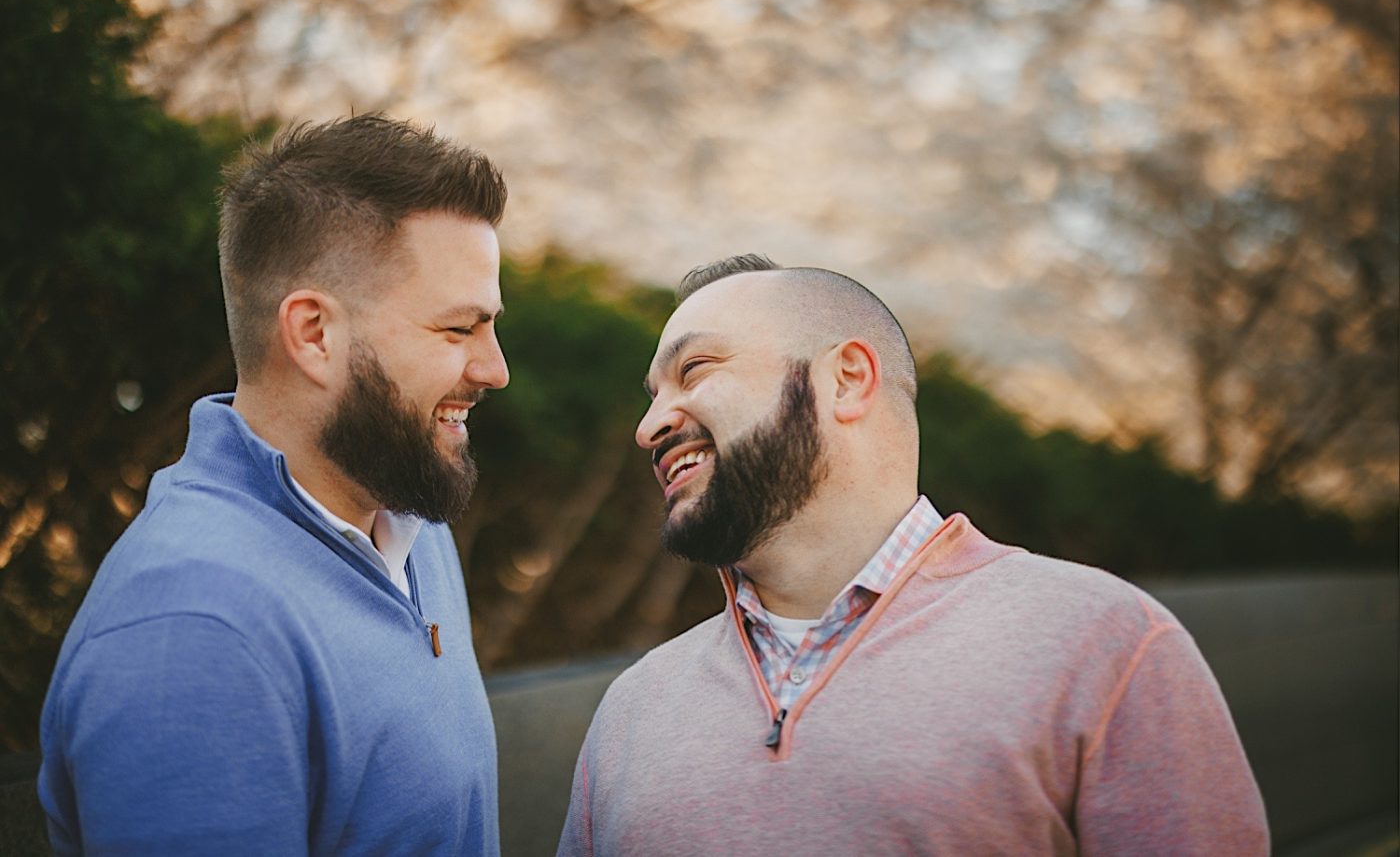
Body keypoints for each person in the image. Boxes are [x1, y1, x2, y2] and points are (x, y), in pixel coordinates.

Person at [558, 254, 1269, 856]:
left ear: (847, 379)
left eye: (696, 370)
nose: (650, 425)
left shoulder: (1103, 644)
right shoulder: (633, 708)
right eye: (653, 395)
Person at [38, 115, 510, 855]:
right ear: (315, 333)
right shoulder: (196, 626)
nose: (494, 368)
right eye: (459, 330)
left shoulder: (410, 519)